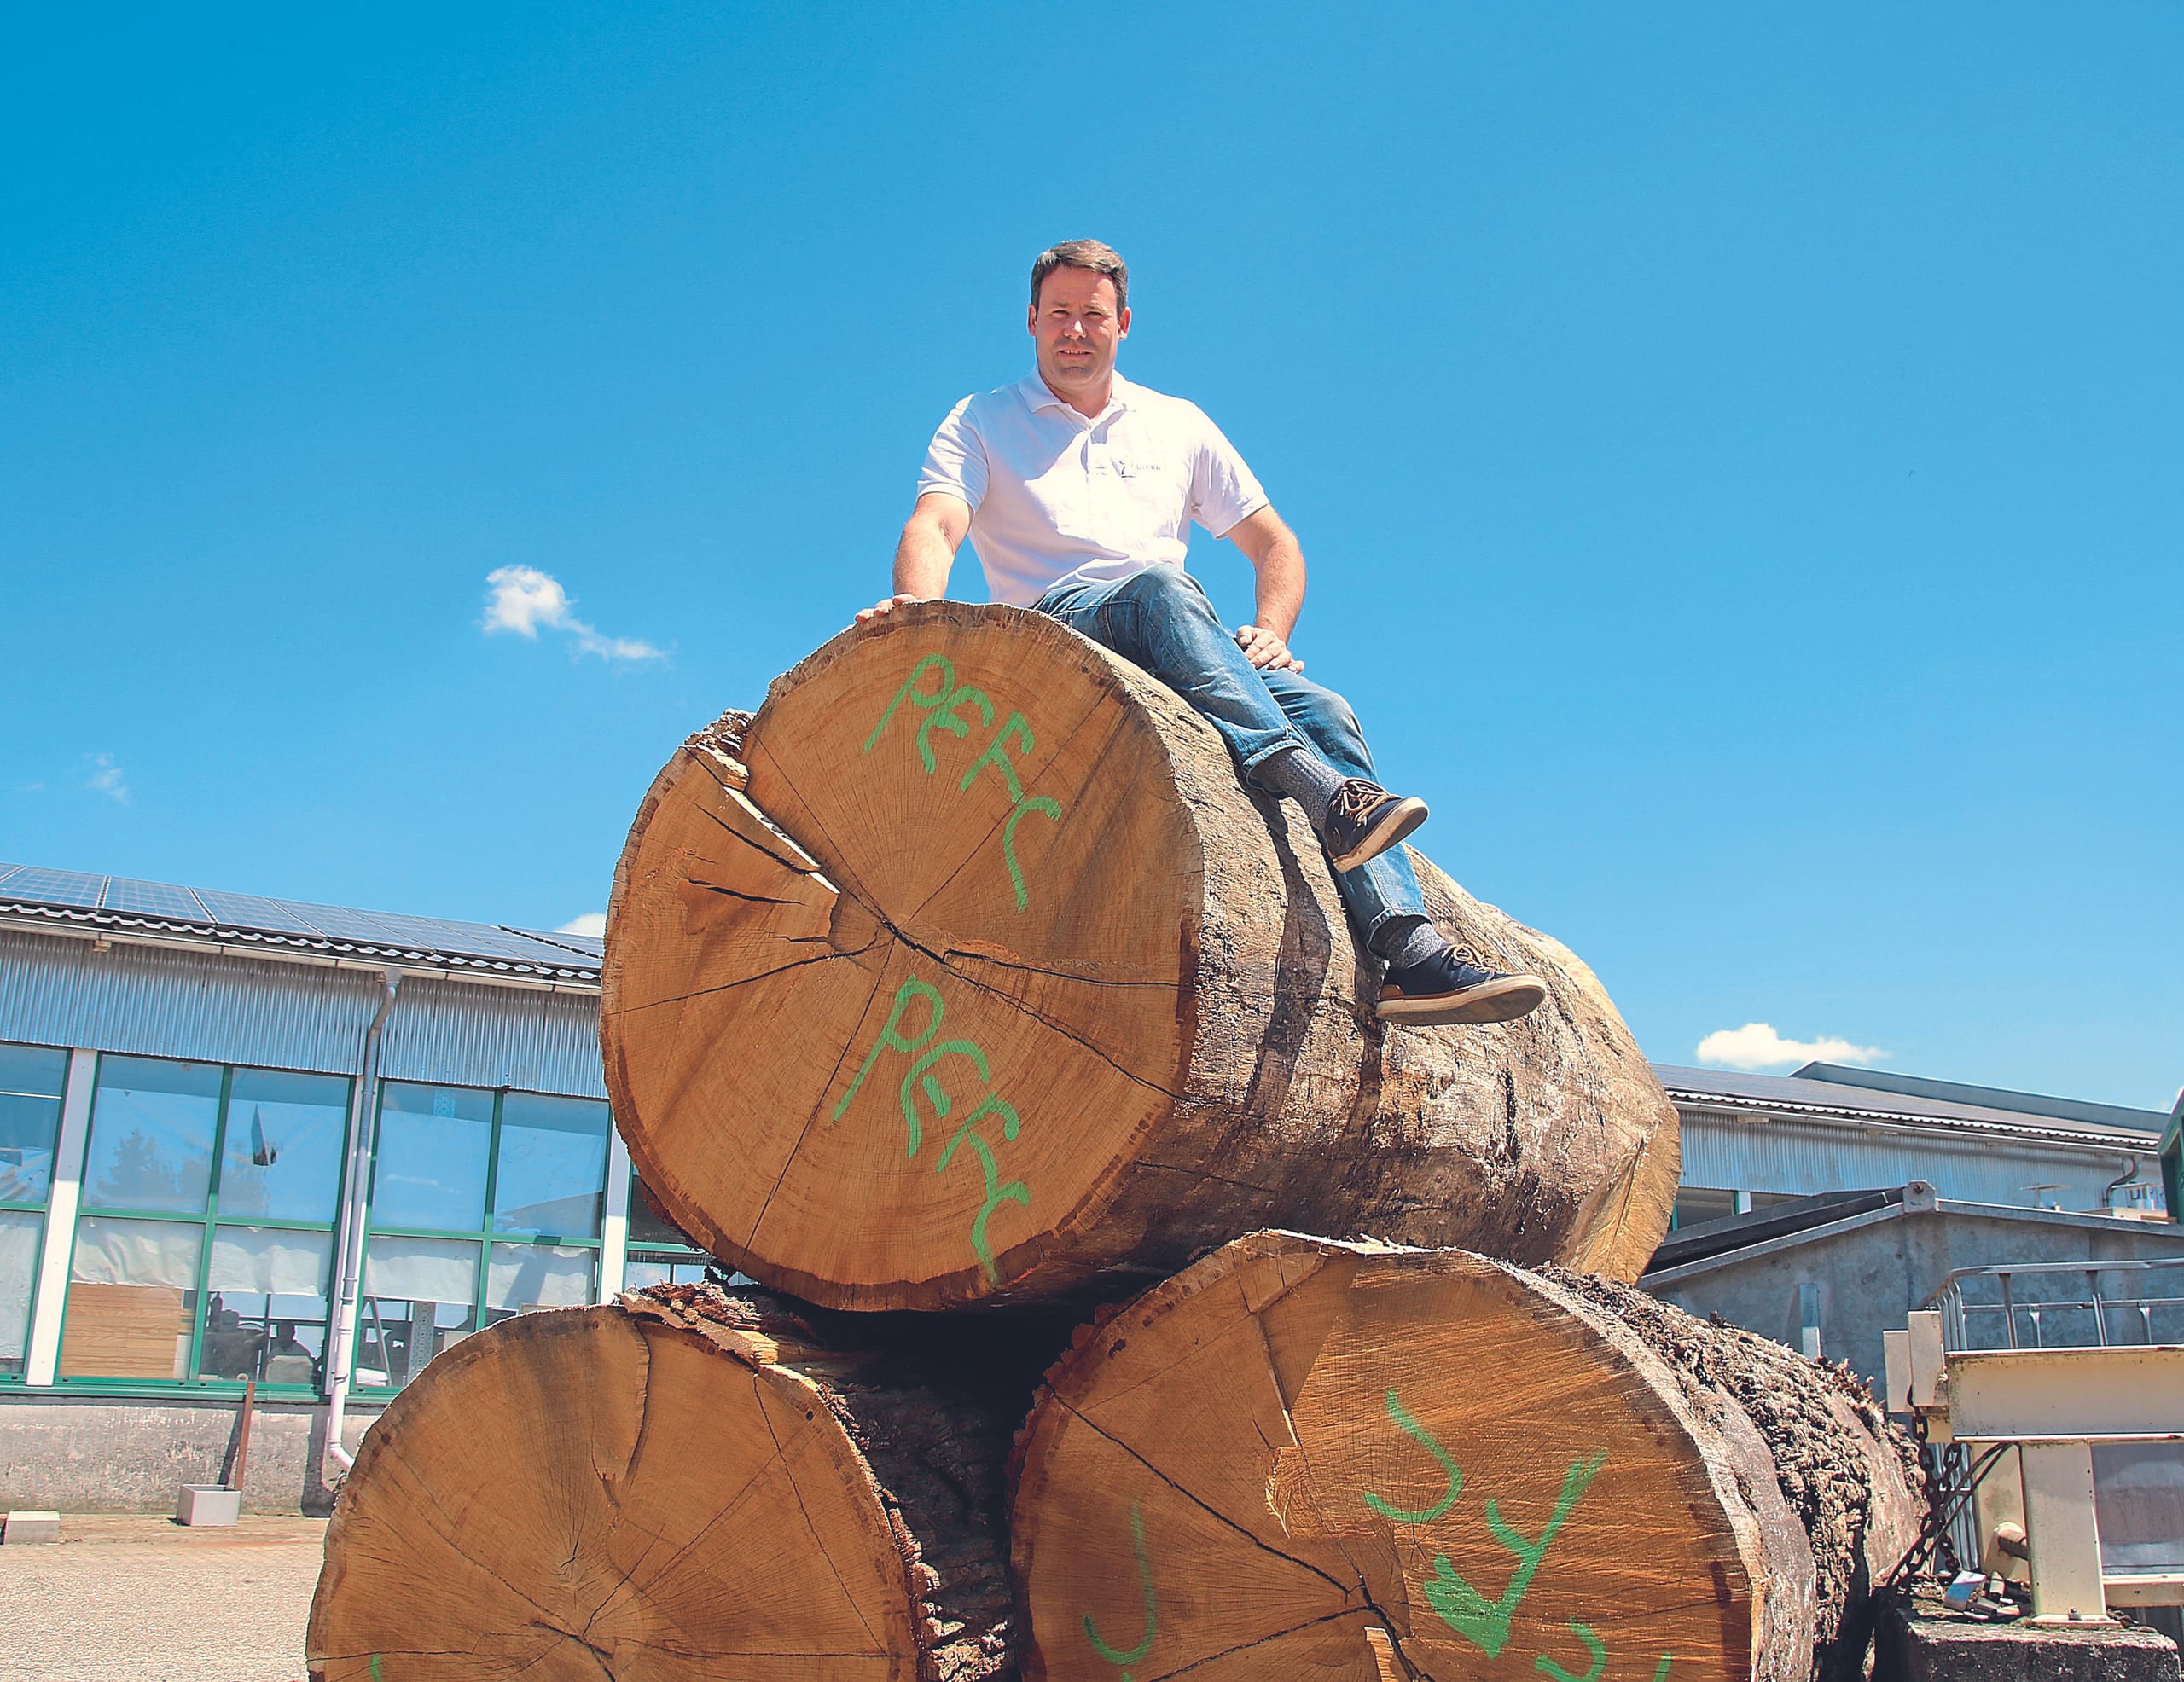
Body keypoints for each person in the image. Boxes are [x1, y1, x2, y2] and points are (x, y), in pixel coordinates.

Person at [859, 240, 1544, 1026]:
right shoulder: (983, 418)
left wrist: (1272, 630)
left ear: (1123, 323)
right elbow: (938, 523)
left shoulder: (1175, 423)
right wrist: (916, 613)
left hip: (1182, 630)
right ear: (1031, 323)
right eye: (1058, 315)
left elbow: (1275, 542)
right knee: (1162, 584)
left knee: (1325, 707)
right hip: (1059, 630)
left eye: (1092, 315)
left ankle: (1410, 952)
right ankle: (1321, 791)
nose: (1074, 330)